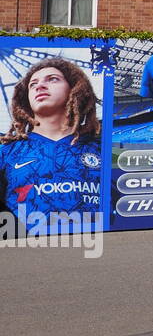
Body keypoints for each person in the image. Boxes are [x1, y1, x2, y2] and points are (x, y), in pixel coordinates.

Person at [0, 57, 102, 228]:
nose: (39, 86)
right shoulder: (6, 153)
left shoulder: (100, 147)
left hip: (94, 246)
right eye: (33, 84)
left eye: (52, 79)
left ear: (74, 88)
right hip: (28, 249)